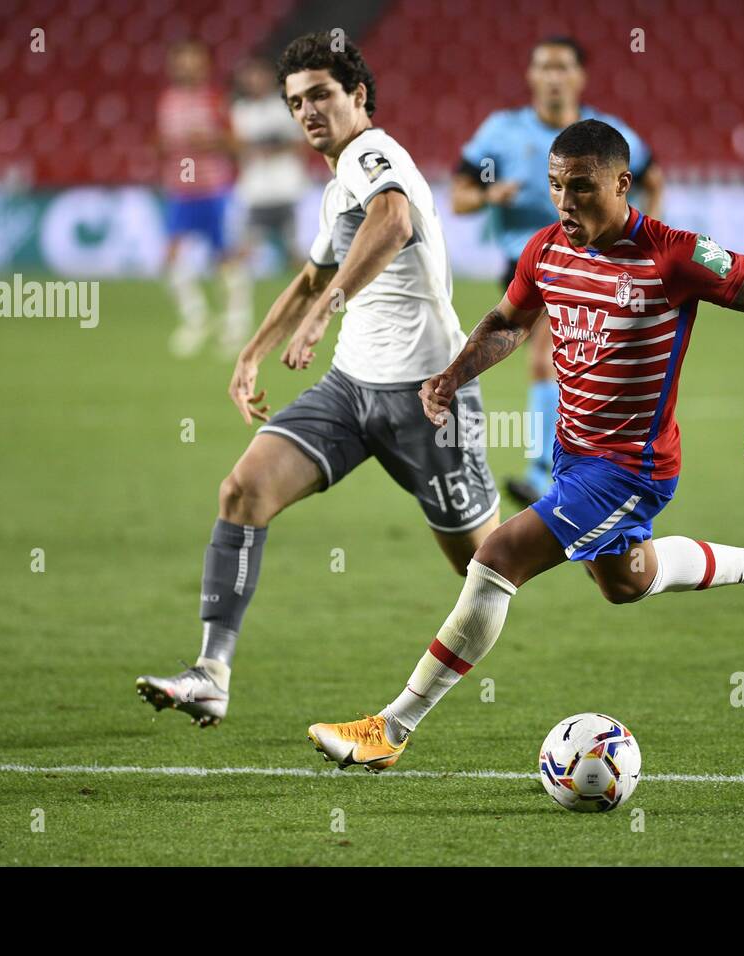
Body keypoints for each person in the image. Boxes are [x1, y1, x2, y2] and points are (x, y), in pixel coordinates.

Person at [308, 120, 744, 772]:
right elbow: (509, 322)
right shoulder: (547, 250)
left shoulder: (675, 254)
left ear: (621, 184)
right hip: (572, 456)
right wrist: (453, 374)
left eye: (581, 187)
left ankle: (391, 728)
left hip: (631, 469)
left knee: (497, 557)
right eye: (555, 187)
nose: (565, 202)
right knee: (625, 582)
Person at [137, 33, 500, 728]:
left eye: (321, 95)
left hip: (427, 396)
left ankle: (609, 550)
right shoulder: (340, 187)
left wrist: (331, 307)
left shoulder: (375, 154)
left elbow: (391, 222)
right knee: (243, 490)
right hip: (351, 390)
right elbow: (310, 278)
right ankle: (211, 672)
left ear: (358, 96)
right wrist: (252, 352)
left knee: (487, 566)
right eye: (295, 100)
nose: (307, 110)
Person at [452, 37, 664, 507]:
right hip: (530, 261)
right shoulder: (501, 133)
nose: (552, 77)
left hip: (599, 261)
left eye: (562, 67)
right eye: (543, 67)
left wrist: (645, 239)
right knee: (546, 358)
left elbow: (651, 178)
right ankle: (547, 470)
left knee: (575, 363)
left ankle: (568, 467)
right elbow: (459, 195)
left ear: (579, 77)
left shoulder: (603, 134)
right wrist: (489, 196)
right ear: (530, 76)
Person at [156, 39, 252, 358]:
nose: (187, 67)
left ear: (204, 66)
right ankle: (196, 319)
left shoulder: (214, 100)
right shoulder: (167, 102)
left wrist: (208, 141)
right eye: (181, 61)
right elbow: (161, 145)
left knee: (225, 258)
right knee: (170, 257)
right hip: (181, 191)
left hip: (214, 190)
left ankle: (237, 324)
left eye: (193, 61)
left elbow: (236, 145)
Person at [231, 57, 311, 275]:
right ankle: (235, 302)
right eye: (251, 76)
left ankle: (310, 298)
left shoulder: (286, 107)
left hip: (287, 188)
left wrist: (269, 150)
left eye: (259, 75)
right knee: (245, 248)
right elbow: (234, 146)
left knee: (295, 250)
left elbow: (301, 143)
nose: (255, 81)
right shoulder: (239, 111)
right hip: (256, 190)